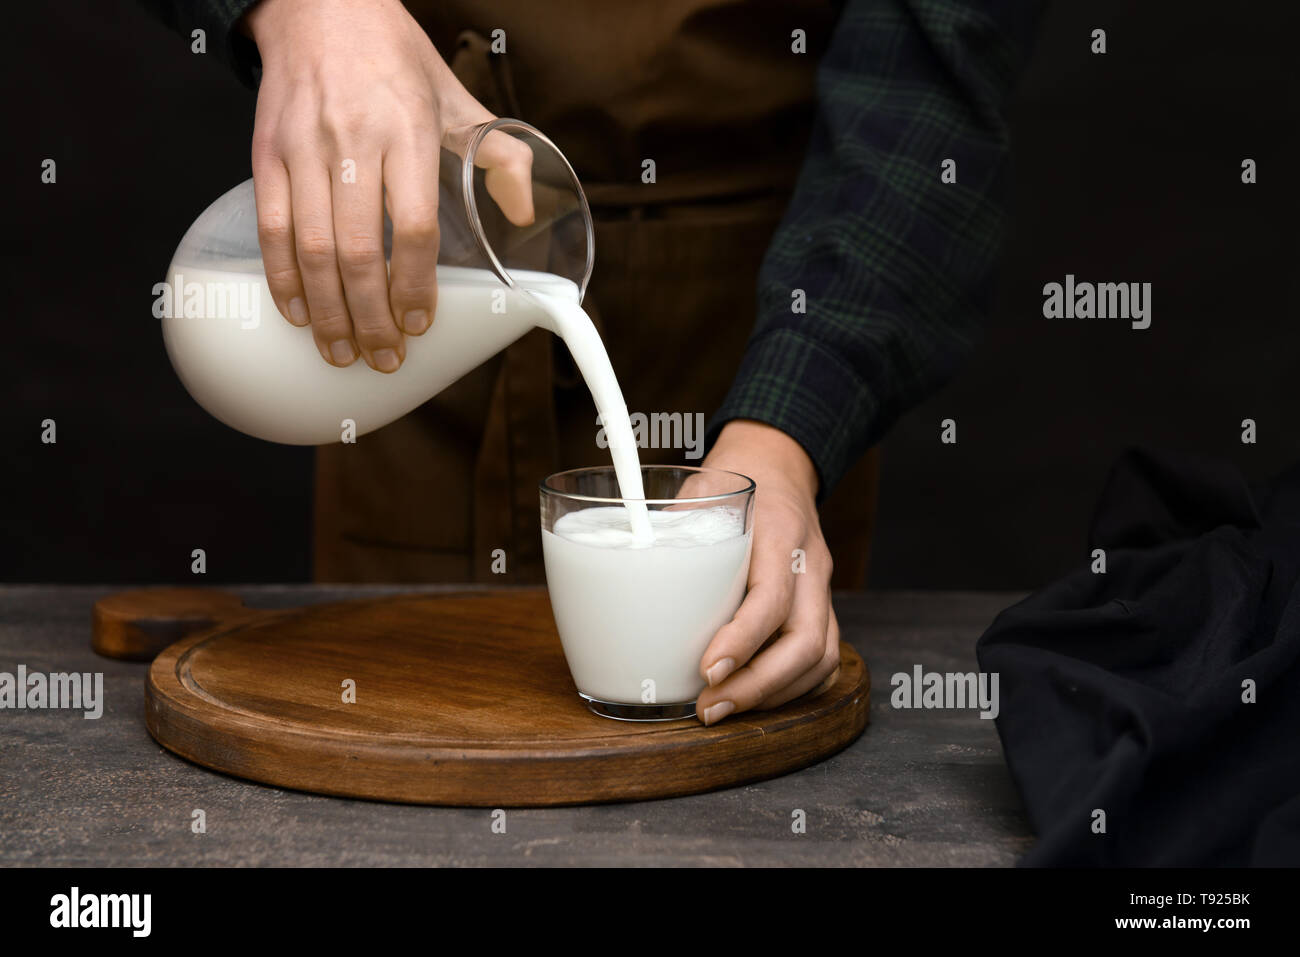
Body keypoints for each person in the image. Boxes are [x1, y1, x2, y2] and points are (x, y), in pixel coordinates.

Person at [141, 0, 1041, 725]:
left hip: (767, 300)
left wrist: (789, 430)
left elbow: (931, 70)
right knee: (385, 715)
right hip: (412, 272)